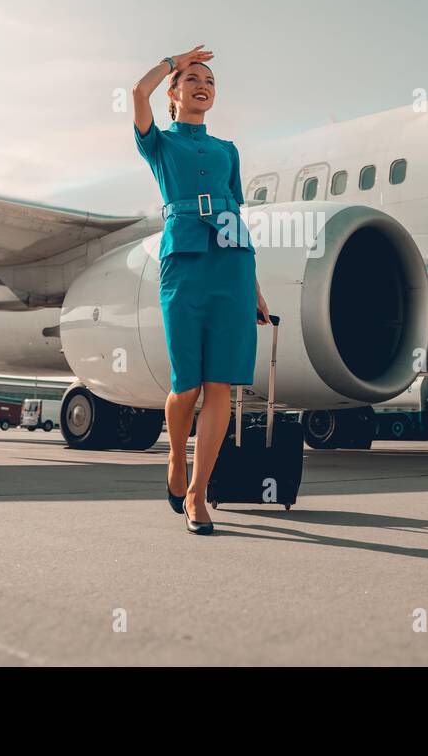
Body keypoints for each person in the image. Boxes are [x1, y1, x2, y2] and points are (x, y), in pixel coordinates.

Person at [132, 45, 269, 535]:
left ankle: (197, 492)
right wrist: (174, 59)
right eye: (192, 78)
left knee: (221, 384)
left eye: (209, 79)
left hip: (232, 265)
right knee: (184, 384)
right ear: (175, 92)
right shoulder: (161, 145)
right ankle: (175, 459)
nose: (202, 85)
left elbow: (235, 213)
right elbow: (136, 91)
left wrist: (253, 286)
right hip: (183, 261)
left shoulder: (228, 151)